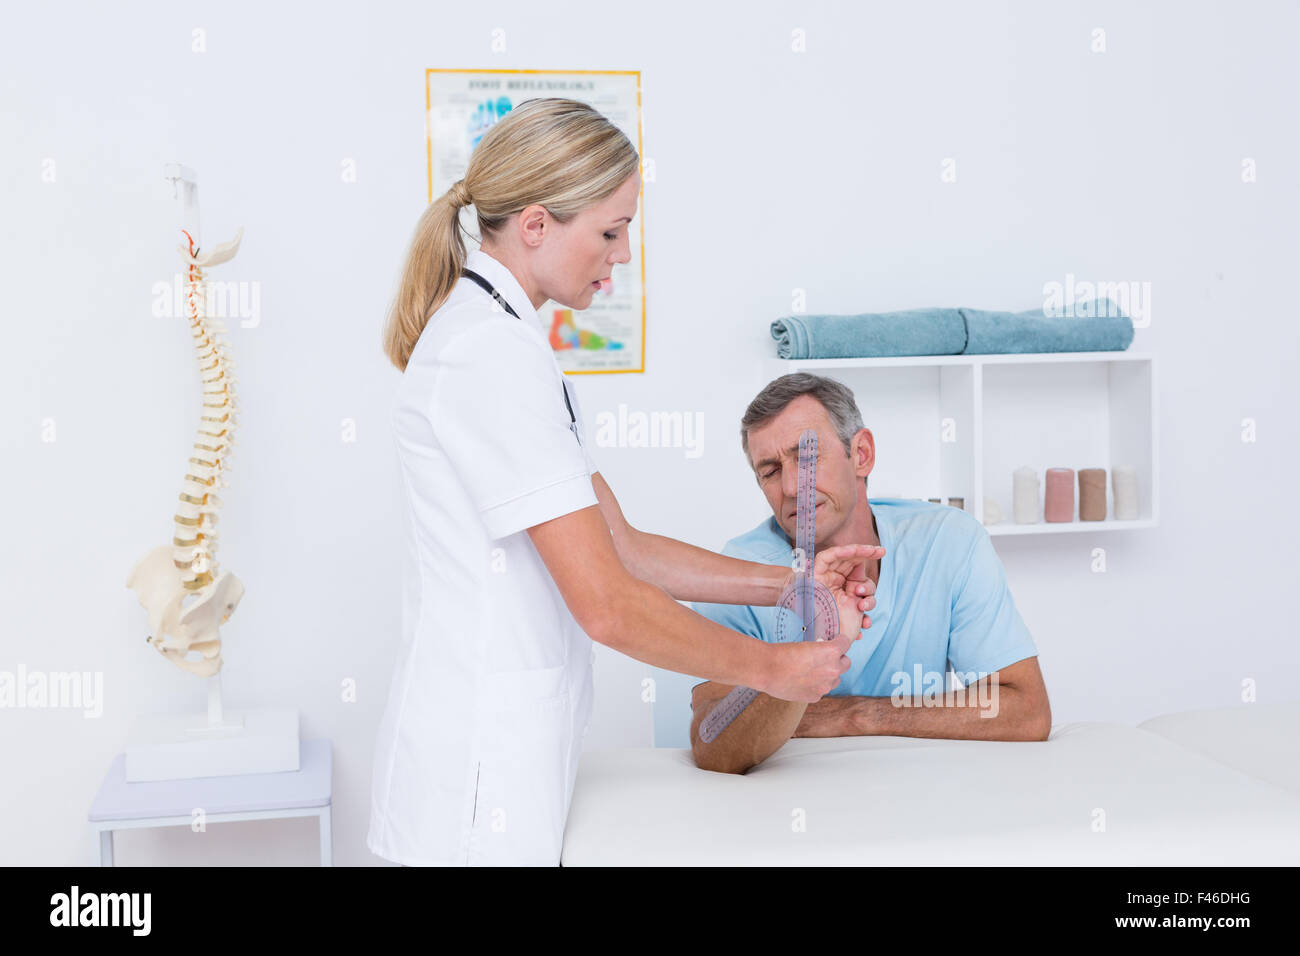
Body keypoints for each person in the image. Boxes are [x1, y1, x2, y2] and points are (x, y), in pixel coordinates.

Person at [366, 97, 882, 867]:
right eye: (611, 230)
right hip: (475, 782)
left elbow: (625, 548)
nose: (624, 254)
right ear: (536, 225)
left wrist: (793, 584)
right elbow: (606, 604)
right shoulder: (489, 356)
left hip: (500, 767)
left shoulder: (506, 346)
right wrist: (775, 669)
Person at [688, 374, 1052, 774]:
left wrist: (863, 716)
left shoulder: (948, 540)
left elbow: (1026, 709)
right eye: (770, 471)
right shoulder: (736, 574)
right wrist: (821, 645)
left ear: (861, 454)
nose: (792, 487)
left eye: (807, 458)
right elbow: (713, 745)